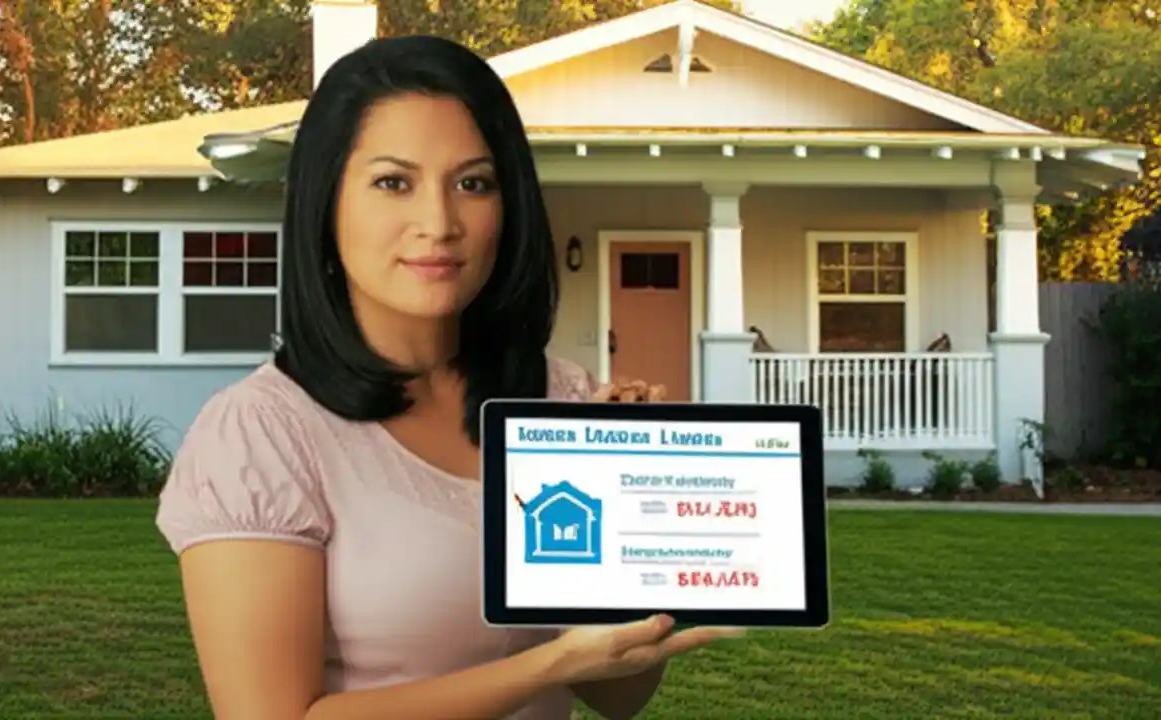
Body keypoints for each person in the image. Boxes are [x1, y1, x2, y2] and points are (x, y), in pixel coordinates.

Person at [155, 35, 741, 720]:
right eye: (393, 182)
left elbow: (618, 691)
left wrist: (637, 507)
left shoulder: (565, 401)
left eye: (472, 183)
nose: (438, 223)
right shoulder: (260, 437)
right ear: (326, 203)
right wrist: (547, 665)